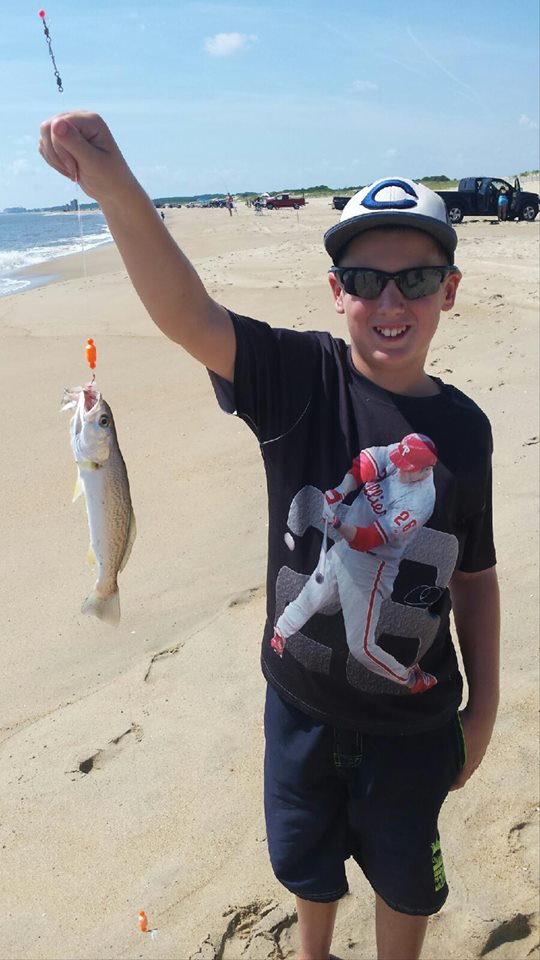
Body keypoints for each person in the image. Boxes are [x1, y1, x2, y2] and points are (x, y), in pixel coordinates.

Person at [38, 115, 500, 960]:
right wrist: (116, 190)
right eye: (365, 279)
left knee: (406, 881)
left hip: (416, 727)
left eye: (417, 279)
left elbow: (476, 574)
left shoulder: (466, 431)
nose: (390, 302)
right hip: (299, 710)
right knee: (305, 863)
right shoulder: (298, 379)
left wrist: (487, 705)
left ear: (451, 289)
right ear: (336, 292)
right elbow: (186, 310)